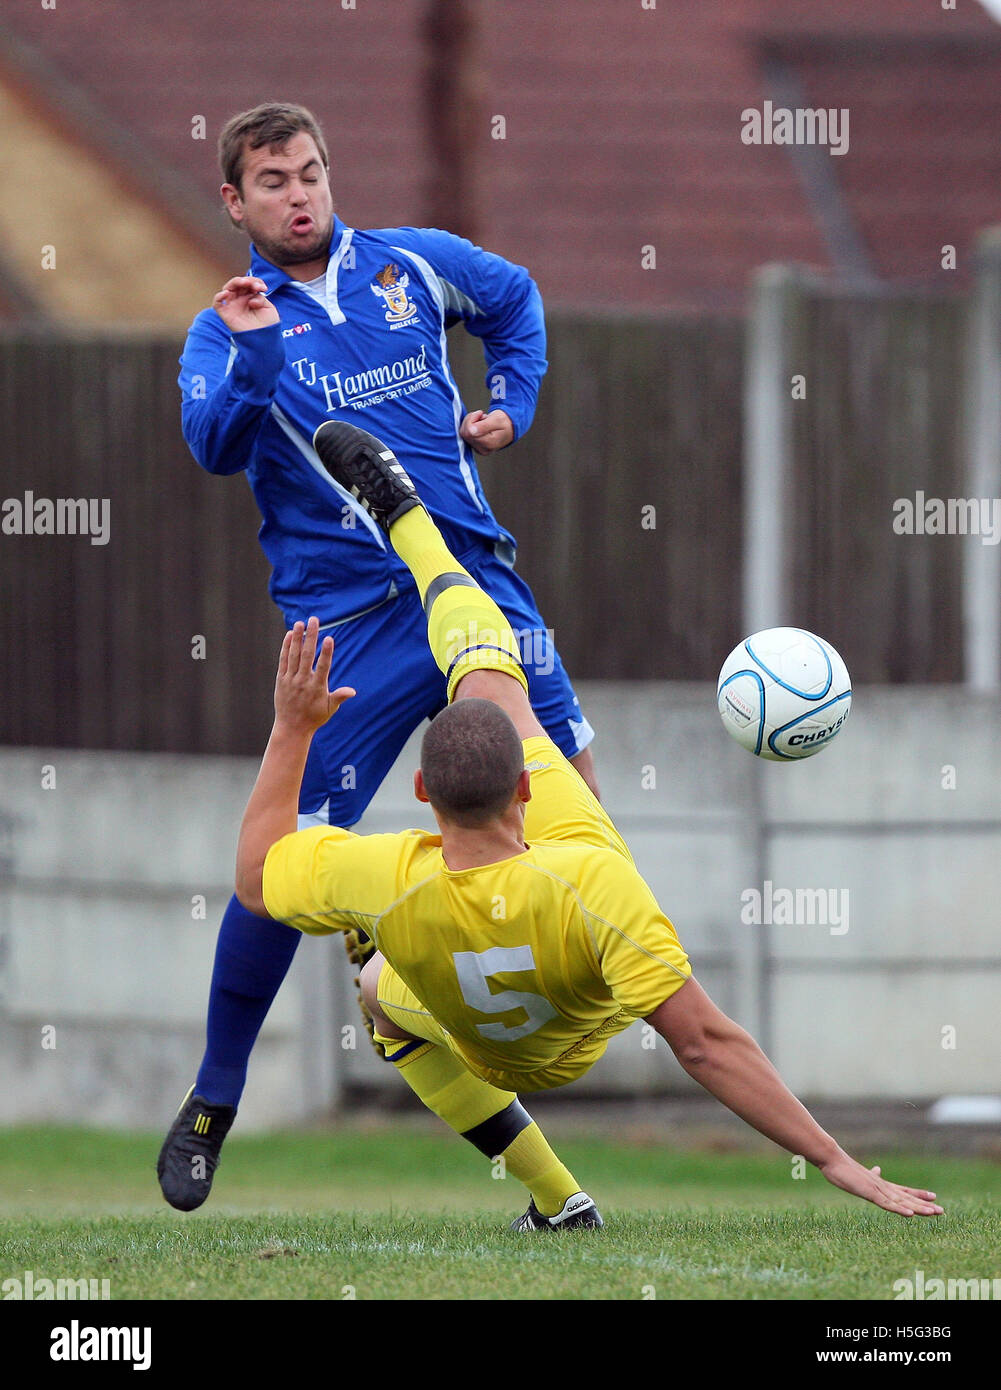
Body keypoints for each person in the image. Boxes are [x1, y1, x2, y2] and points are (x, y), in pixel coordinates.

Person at [228, 421, 944, 1229]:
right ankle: (412, 524)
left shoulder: (382, 874)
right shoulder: (594, 883)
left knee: (373, 991)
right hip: (579, 1018)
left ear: (423, 790)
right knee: (494, 683)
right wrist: (833, 1159)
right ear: (528, 791)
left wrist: (292, 727)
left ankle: (555, 1197)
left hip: (473, 1037)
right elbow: (705, 1043)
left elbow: (255, 876)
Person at [159, 102, 597, 1209]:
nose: (297, 194)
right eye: (271, 181)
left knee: (574, 821)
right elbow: (212, 444)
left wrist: (514, 402)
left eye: (309, 171)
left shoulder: (412, 267)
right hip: (349, 620)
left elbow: (514, 299)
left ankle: (525, 1072)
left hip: (476, 582)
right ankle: (216, 1094)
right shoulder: (226, 329)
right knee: (274, 866)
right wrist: (258, 360)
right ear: (235, 201)